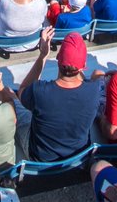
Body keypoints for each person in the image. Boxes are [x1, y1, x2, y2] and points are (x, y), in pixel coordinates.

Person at [19, 29, 101, 162]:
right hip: (78, 158)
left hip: (41, 159)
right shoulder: (94, 90)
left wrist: (43, 55)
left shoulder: (39, 91)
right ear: (84, 66)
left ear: (57, 58)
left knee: (15, 104)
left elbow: (22, 90)